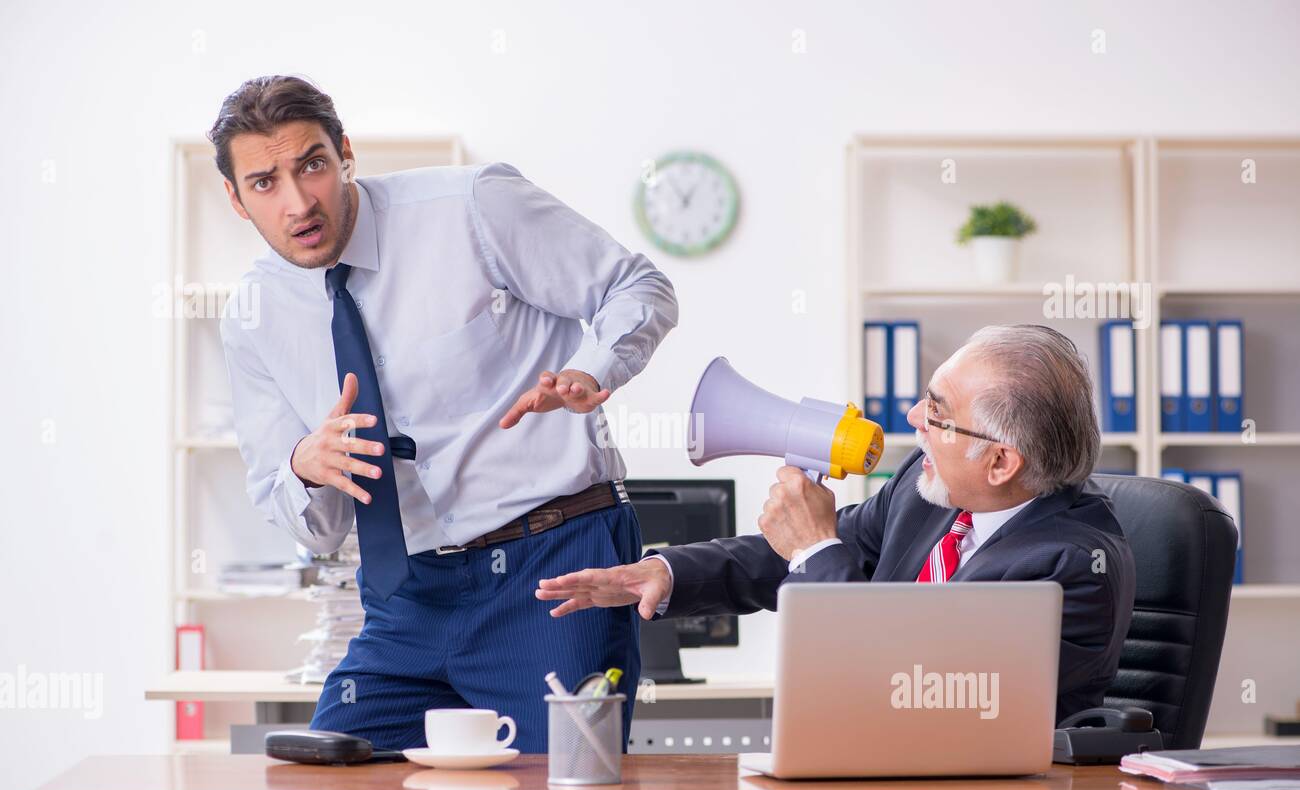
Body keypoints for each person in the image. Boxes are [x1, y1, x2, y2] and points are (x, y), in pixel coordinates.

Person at [214, 75, 677, 752]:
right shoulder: (254, 317)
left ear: (344, 152)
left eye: (311, 164)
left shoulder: (469, 207)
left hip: (552, 566)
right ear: (234, 197)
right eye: (264, 183)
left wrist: (590, 369)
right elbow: (314, 532)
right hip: (405, 599)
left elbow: (638, 285)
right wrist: (305, 467)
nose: (297, 201)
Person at [536, 324, 1136, 723]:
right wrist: (664, 574)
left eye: (938, 412)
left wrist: (818, 548)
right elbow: (786, 557)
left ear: (1002, 461)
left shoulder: (1068, 566)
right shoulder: (927, 492)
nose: (913, 418)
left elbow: (899, 690)